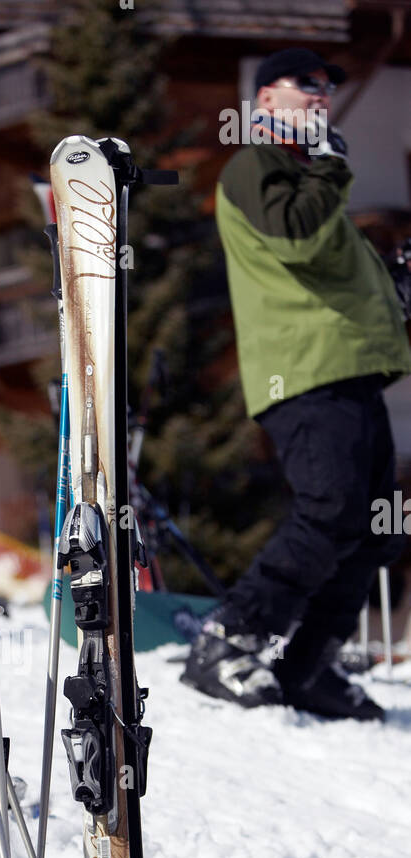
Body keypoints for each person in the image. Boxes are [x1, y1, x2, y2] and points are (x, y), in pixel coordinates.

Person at [183, 48, 411, 721]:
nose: (319, 96)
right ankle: (229, 640)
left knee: (371, 530)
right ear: (263, 103)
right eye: (303, 85)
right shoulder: (256, 167)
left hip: (350, 369)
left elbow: (326, 264)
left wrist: (391, 289)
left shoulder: (310, 177)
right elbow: (300, 239)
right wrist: (336, 163)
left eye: (326, 87)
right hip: (306, 372)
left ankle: (307, 667)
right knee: (330, 511)